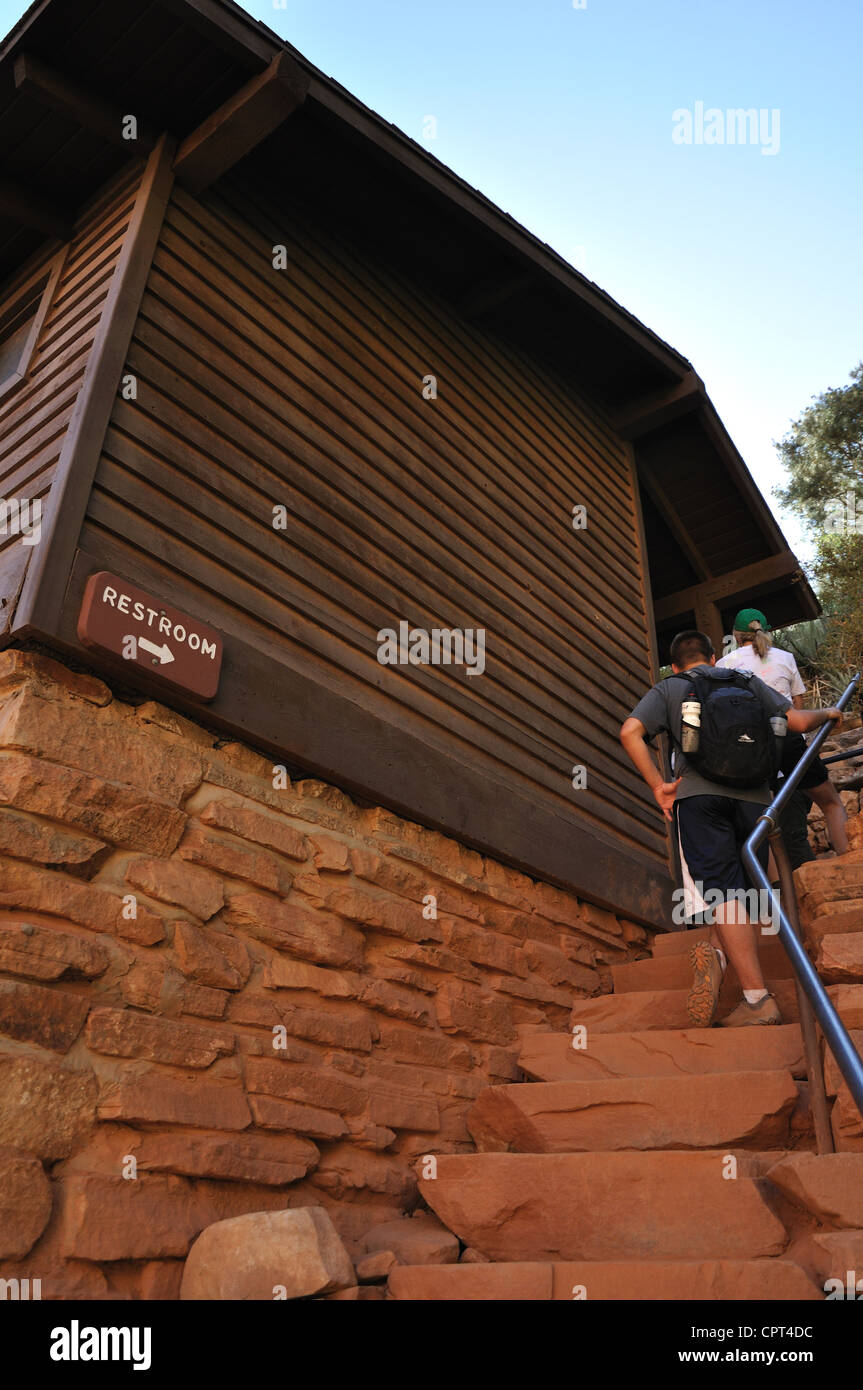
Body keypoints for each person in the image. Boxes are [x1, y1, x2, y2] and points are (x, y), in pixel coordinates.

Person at [620, 630, 842, 1028]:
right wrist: (828, 715)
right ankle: (719, 954)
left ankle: (757, 1000)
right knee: (746, 890)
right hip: (756, 800)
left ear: (675, 664)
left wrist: (658, 785)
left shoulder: (671, 686)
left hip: (699, 797)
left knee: (723, 893)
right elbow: (793, 720)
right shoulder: (746, 681)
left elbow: (630, 732)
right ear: (712, 657)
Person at [717, 608, 848, 860]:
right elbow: (797, 708)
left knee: (765, 826)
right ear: (766, 631)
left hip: (749, 749)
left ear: (735, 635)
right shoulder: (785, 657)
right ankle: (850, 861)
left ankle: (780, 891)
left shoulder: (724, 664)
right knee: (830, 804)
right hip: (787, 740)